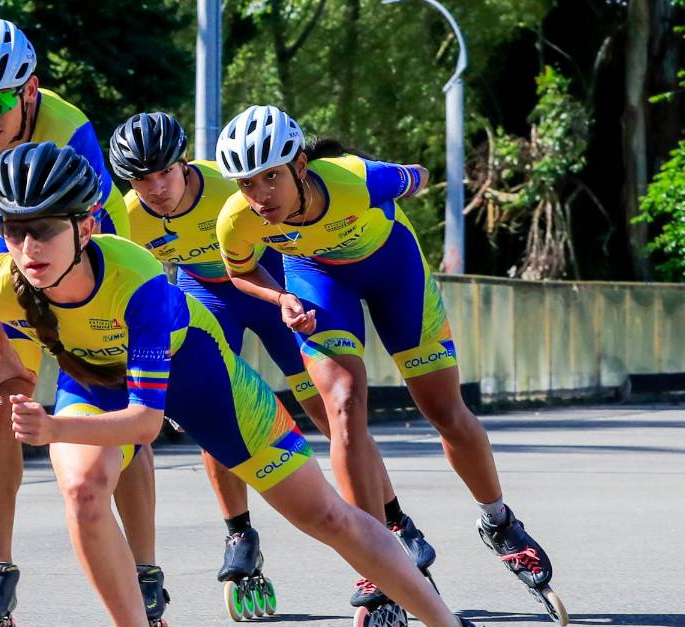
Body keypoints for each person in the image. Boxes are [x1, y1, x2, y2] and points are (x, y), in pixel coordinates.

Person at [0, 141, 477, 627]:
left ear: (85, 226)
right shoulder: (3, 279)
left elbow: (144, 427)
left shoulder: (135, 281)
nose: (29, 247)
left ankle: (443, 621)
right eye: (15, 229)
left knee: (327, 515)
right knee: (82, 488)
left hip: (200, 377)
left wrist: (52, 427)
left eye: (45, 227)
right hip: (94, 383)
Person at [215, 104, 559, 615]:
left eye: (271, 178)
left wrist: (409, 177)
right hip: (316, 278)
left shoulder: (356, 180)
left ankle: (499, 520)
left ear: (301, 166)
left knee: (446, 413)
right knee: (343, 407)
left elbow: (416, 177)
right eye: (246, 183)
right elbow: (239, 271)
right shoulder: (237, 219)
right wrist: (279, 299)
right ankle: (373, 561)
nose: (260, 196)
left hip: (394, 270)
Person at [109, 111, 436, 615]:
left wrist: (288, 296)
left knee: (333, 414)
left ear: (185, 164)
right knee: (214, 413)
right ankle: (239, 534)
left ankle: (393, 520)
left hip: (276, 285)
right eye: (141, 180)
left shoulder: (231, 187)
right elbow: (134, 291)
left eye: (165, 173)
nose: (155, 189)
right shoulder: (128, 217)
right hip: (204, 292)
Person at [0, 17, 154, 625]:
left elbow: (99, 244)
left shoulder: (70, 129)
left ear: (29, 90)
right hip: (14, 267)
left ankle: (145, 570)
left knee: (118, 416)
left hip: (89, 266)